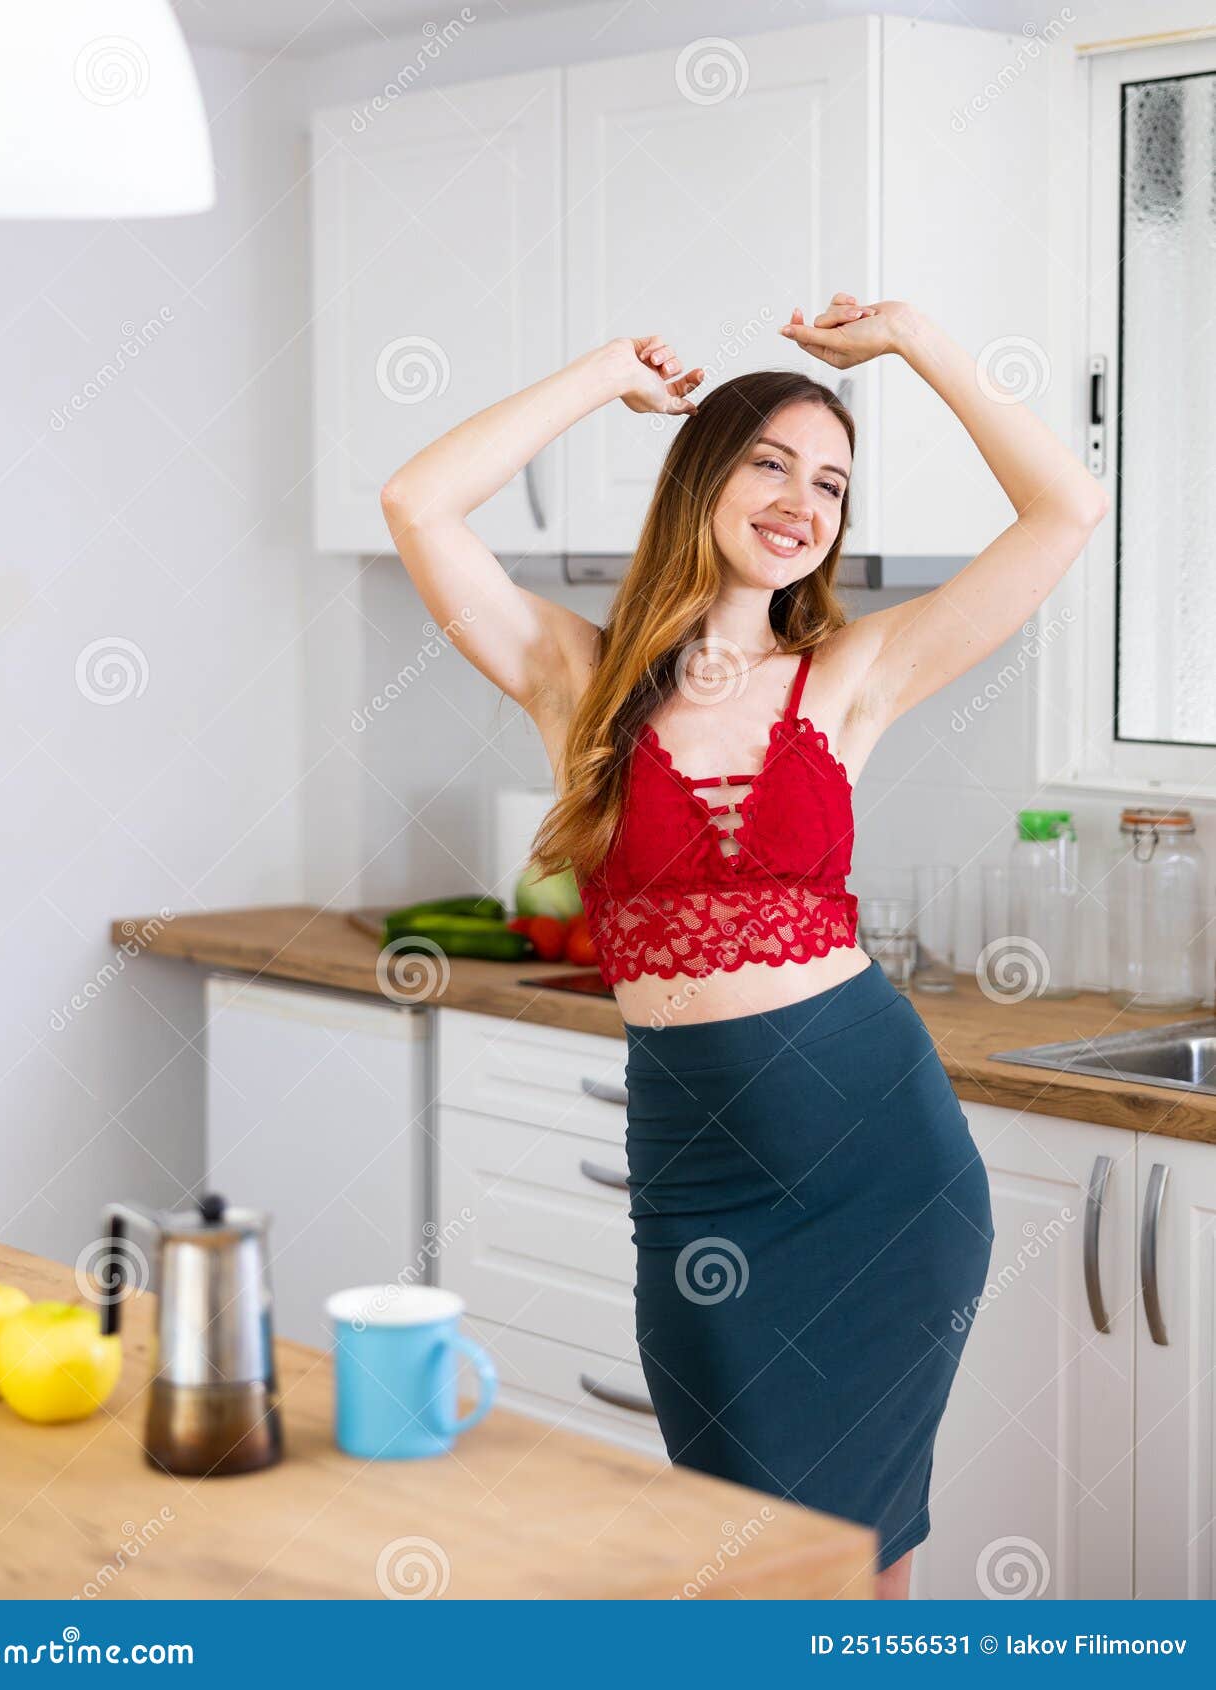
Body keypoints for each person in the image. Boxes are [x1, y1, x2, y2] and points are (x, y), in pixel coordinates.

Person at [380, 294, 1109, 1599]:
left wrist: (915, 345)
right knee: (746, 1554)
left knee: (865, 1554)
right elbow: (418, 503)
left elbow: (1065, 509)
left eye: (831, 481)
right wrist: (604, 371)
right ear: (700, 475)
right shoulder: (579, 680)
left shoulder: (851, 673)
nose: (801, 499)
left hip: (886, 1173)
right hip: (701, 1177)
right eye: (769, 460)